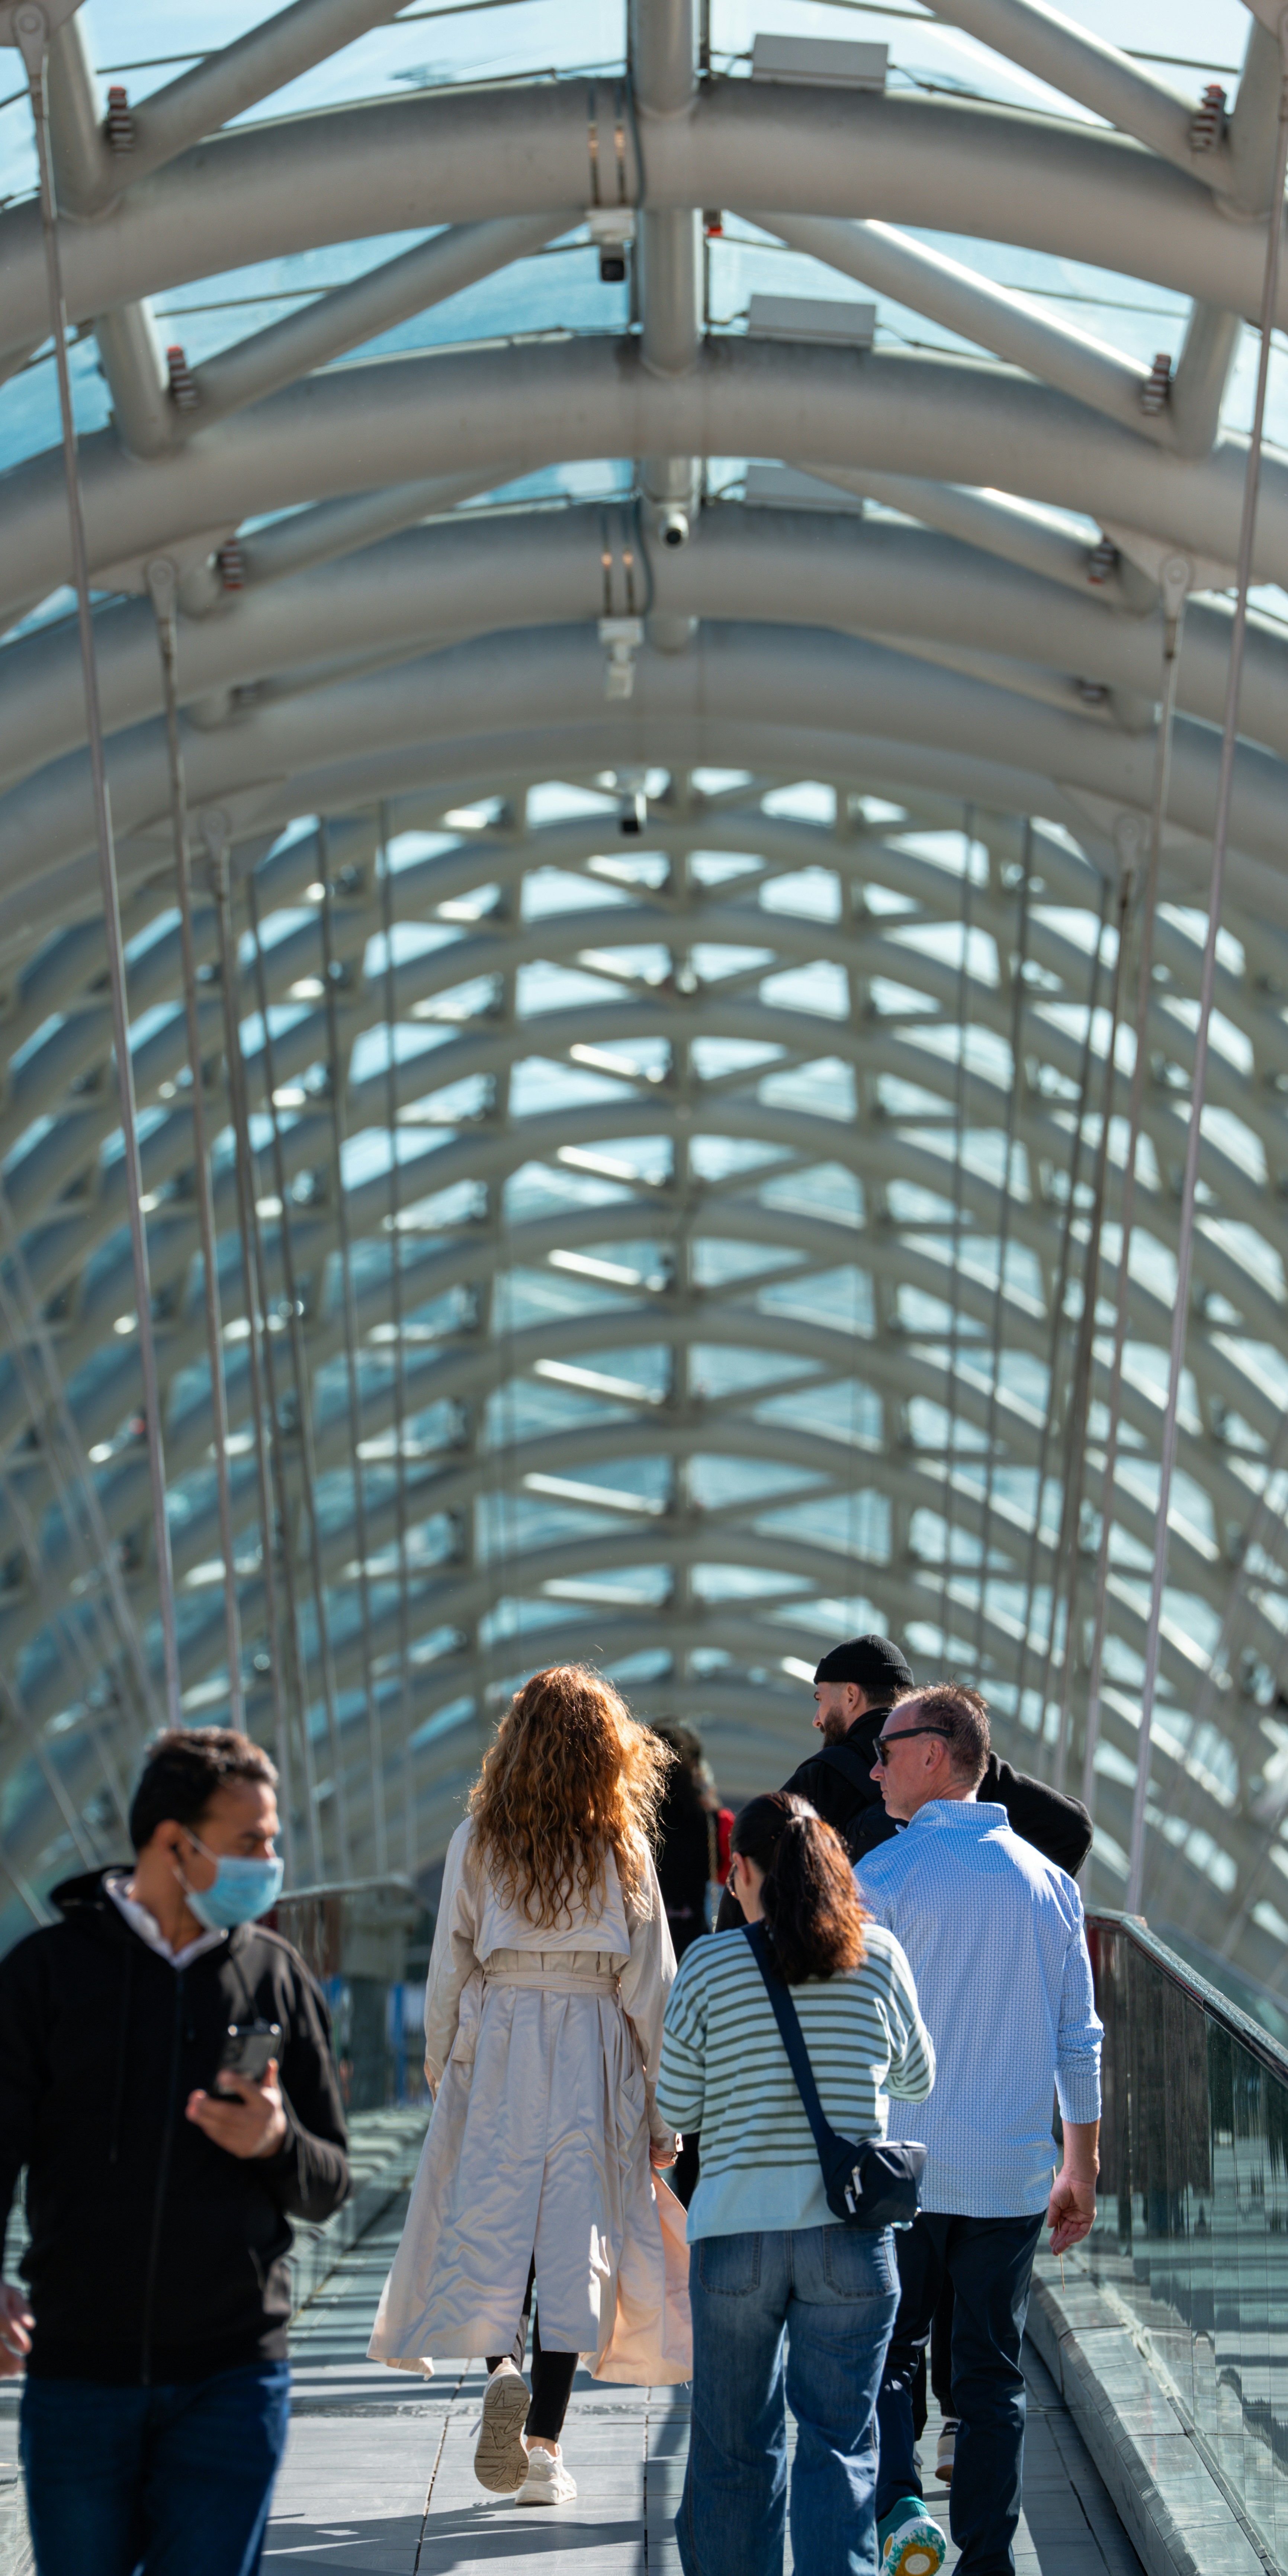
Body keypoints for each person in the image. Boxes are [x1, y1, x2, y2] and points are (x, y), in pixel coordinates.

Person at [0, 1727, 349, 2576]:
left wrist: (274, 2141)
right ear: (172, 1842)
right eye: (250, 1841)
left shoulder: (275, 1974)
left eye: (272, 1838)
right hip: (79, 2371)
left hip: (233, 2375)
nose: (271, 1860)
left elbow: (328, 2180)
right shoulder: (47, 1974)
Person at [368, 1664, 689, 2504]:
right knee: (573, 2243)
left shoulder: (477, 1838)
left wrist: (444, 2061)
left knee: (491, 2223)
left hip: (499, 2032)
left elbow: (450, 1962)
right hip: (592, 2041)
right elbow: (653, 1987)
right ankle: (542, 2447)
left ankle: (499, 2366)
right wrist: (665, 2107)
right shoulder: (623, 1846)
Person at [854, 1684, 1102, 2576]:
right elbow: (1080, 2036)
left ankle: (901, 2510)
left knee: (888, 2354)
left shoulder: (878, 1880)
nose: (873, 1766)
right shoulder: (1050, 1886)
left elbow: (848, 2031)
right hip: (1009, 2172)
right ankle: (987, 2558)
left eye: (885, 1748)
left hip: (902, 2168)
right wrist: (1081, 2164)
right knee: (993, 2373)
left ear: (936, 1752)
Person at [657, 1792, 935, 2576]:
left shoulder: (710, 1963)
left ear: (739, 1870)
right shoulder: (878, 1953)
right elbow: (918, 2074)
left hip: (736, 2237)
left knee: (733, 2446)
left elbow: (673, 2104)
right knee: (839, 2445)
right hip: (851, 2239)